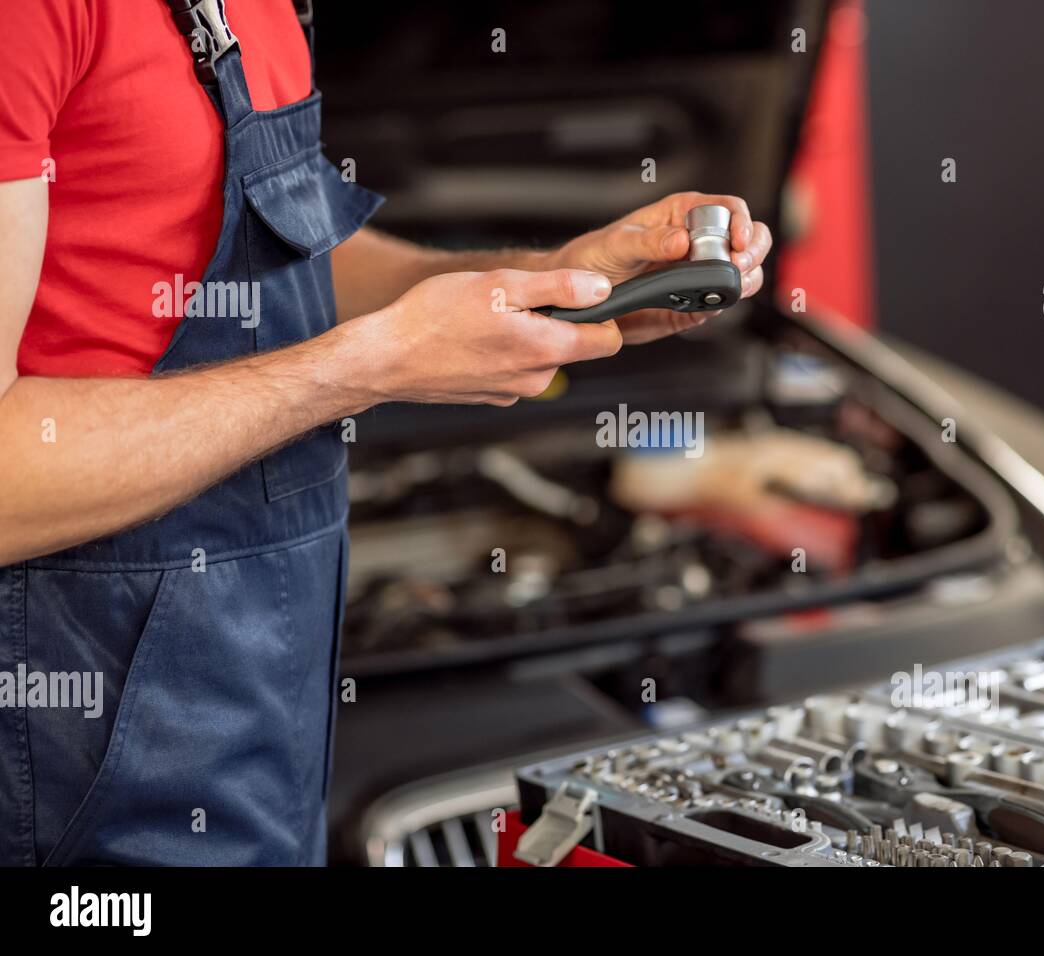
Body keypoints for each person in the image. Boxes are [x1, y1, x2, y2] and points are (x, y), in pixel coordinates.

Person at [0, 0, 770, 865]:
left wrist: (547, 281)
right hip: (75, 720)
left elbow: (288, 253)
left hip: (254, 699)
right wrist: (370, 367)